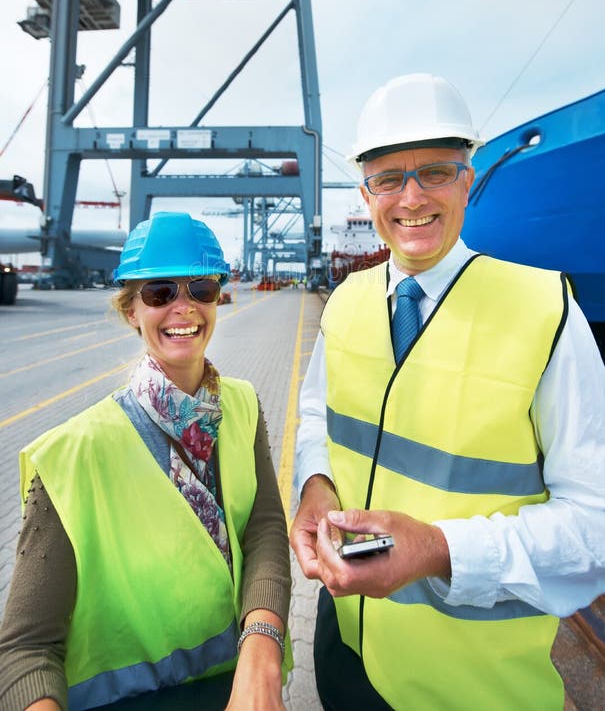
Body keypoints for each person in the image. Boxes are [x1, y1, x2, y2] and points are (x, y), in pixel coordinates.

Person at [290, 73, 605, 710]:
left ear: (468, 178)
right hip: (345, 651)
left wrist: (437, 549)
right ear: (365, 192)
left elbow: (595, 529)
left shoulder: (547, 314)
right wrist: (313, 484)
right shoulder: (346, 303)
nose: (411, 198)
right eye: (388, 178)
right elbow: (316, 414)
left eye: (434, 171)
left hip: (472, 688)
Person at [0, 212, 291, 711]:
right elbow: (26, 650)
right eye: (160, 293)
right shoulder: (73, 456)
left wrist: (263, 644)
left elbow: (263, 527)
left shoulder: (242, 405)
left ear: (218, 296)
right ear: (132, 310)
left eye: (200, 288)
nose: (184, 308)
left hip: (237, 688)